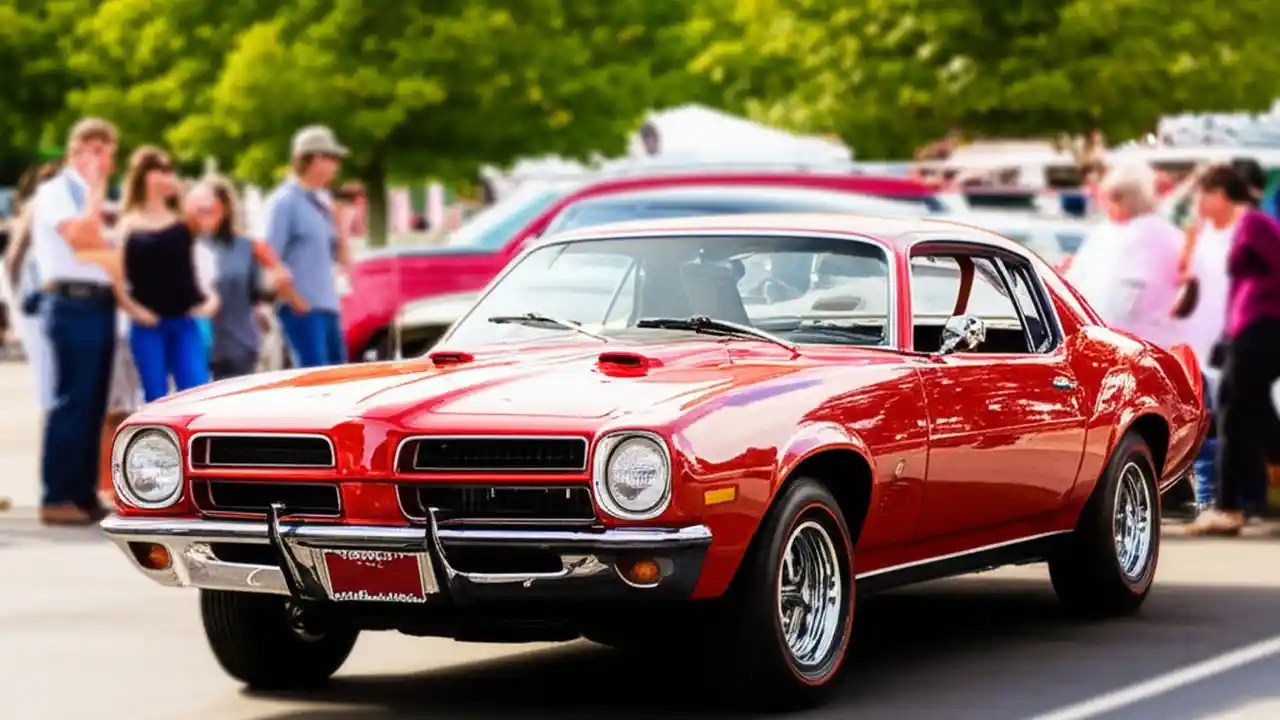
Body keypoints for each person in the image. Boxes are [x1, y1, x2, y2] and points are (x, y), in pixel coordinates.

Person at [30, 118, 121, 525]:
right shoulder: (55, 192)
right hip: (70, 301)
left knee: (92, 404)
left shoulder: (93, 197)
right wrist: (98, 191)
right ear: (74, 150)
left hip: (99, 303)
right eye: (92, 147)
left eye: (106, 149)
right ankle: (57, 494)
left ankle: (81, 492)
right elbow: (83, 240)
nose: (100, 157)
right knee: (73, 400)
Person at [1188, 165, 1280, 535]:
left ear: (1221, 193)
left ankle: (1227, 508)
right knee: (1255, 414)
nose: (1199, 204)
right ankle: (1233, 507)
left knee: (1230, 409)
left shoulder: (1255, 225)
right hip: (1245, 329)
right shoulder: (1234, 229)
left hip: (1265, 327)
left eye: (1203, 195)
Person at [117, 146, 219, 402]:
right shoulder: (128, 224)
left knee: (196, 390)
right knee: (156, 396)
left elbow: (201, 261)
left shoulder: (183, 220)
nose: (165, 176)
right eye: (158, 170)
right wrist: (134, 309)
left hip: (184, 320)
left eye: (168, 171)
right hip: (147, 324)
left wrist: (209, 301)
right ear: (143, 175)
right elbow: (116, 278)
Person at [1065, 161, 1184, 349]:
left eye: (1107, 201)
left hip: (1130, 344)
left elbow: (1120, 297)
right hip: (1141, 342)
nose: (1104, 208)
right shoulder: (1119, 232)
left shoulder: (1139, 237)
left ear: (1123, 200)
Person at [264, 125, 349, 367]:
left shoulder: (322, 202)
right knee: (316, 383)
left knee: (340, 378)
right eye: (333, 158)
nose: (337, 165)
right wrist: (294, 300)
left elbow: (344, 260)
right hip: (303, 309)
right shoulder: (283, 201)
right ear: (314, 159)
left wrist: (341, 226)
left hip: (328, 306)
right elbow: (268, 256)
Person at [198, 176, 294, 380]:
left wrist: (277, 285)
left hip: (239, 345)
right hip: (198, 346)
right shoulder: (190, 244)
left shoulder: (246, 246)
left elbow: (257, 295)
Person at [3, 162, 62, 411]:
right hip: (40, 297)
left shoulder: (36, 207)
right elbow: (13, 258)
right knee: (51, 366)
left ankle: (52, 413)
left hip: (37, 299)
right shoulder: (38, 207)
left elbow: (13, 259)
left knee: (46, 368)